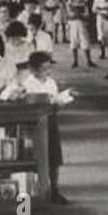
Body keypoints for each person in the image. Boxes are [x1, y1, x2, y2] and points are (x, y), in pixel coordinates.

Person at [17, 51, 72, 204]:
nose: (48, 72)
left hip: (50, 121)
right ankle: (36, 193)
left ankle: (54, 189)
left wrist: (61, 100)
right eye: (44, 69)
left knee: (54, 158)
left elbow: (54, 100)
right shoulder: (27, 84)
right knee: (35, 159)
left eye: (49, 68)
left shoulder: (51, 82)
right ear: (33, 70)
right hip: (34, 125)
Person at [66, 0, 95, 68]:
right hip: (73, 24)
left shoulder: (84, 5)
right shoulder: (70, 5)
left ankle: (89, 60)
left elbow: (87, 15)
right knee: (74, 41)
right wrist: (74, 15)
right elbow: (69, 15)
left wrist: (80, 15)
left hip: (82, 24)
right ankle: (75, 61)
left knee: (85, 41)